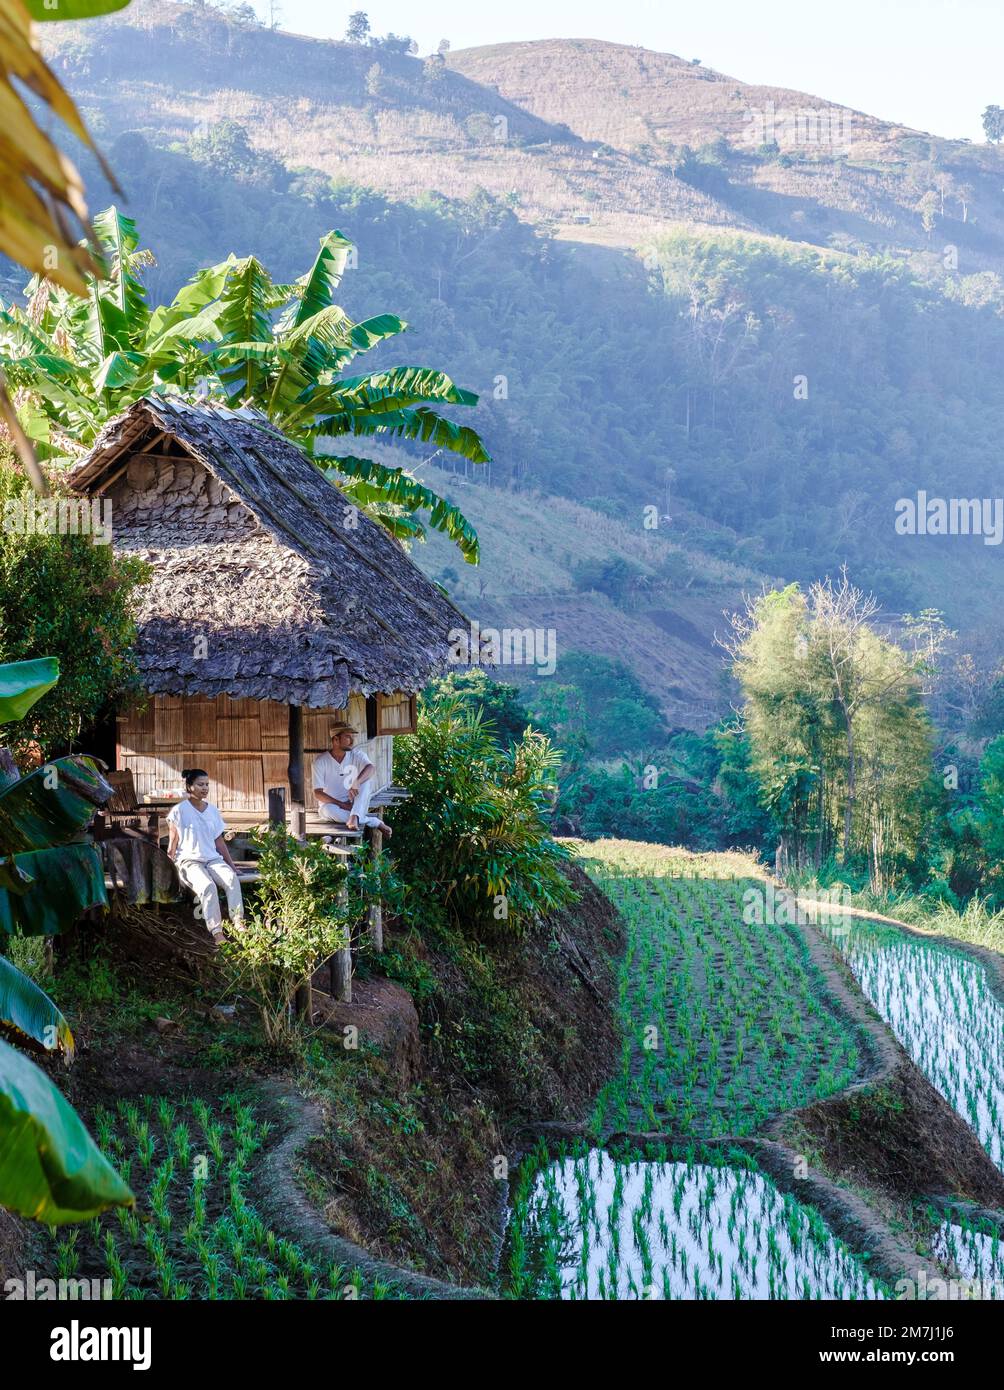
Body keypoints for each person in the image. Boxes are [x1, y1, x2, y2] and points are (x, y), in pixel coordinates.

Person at [166, 769, 244, 947]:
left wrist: (231, 866)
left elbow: (219, 842)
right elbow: (173, 842)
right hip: (189, 861)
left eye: (207, 784)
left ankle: (238, 922)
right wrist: (169, 867)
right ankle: (217, 932)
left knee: (231, 879)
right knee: (207, 886)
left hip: (212, 860)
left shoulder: (213, 811)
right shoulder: (179, 811)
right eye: (200, 784)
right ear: (189, 786)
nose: (205, 788)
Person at [312, 723, 392, 836]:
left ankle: (355, 816)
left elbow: (371, 768)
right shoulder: (321, 761)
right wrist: (341, 804)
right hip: (334, 806)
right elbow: (318, 793)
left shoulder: (356, 755)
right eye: (347, 737)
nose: (352, 740)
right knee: (327, 810)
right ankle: (371, 821)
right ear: (335, 739)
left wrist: (357, 782)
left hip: (356, 803)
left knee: (366, 780)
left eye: (352, 737)